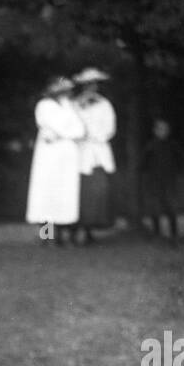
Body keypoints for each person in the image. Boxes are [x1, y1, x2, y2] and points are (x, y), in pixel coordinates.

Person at [25, 76, 85, 246]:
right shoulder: (44, 106)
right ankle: (46, 237)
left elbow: (79, 129)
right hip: (49, 156)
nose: (64, 92)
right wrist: (66, 132)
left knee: (64, 195)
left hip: (66, 156)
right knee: (46, 194)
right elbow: (53, 125)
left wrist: (65, 133)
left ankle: (62, 236)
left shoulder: (69, 106)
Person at [72, 67, 117, 244]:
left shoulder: (105, 104)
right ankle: (76, 230)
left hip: (98, 152)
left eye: (95, 84)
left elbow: (110, 128)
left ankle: (91, 229)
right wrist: (82, 135)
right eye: (88, 84)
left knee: (98, 192)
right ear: (83, 86)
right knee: (81, 193)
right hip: (81, 154)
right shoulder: (75, 104)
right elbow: (72, 125)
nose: (92, 87)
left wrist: (96, 136)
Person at [140, 118, 180, 243]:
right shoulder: (150, 146)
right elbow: (143, 163)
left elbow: (180, 159)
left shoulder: (172, 145)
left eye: (166, 129)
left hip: (168, 181)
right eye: (160, 129)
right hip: (154, 181)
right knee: (154, 207)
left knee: (171, 207)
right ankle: (157, 232)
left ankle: (174, 234)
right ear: (155, 131)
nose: (163, 132)